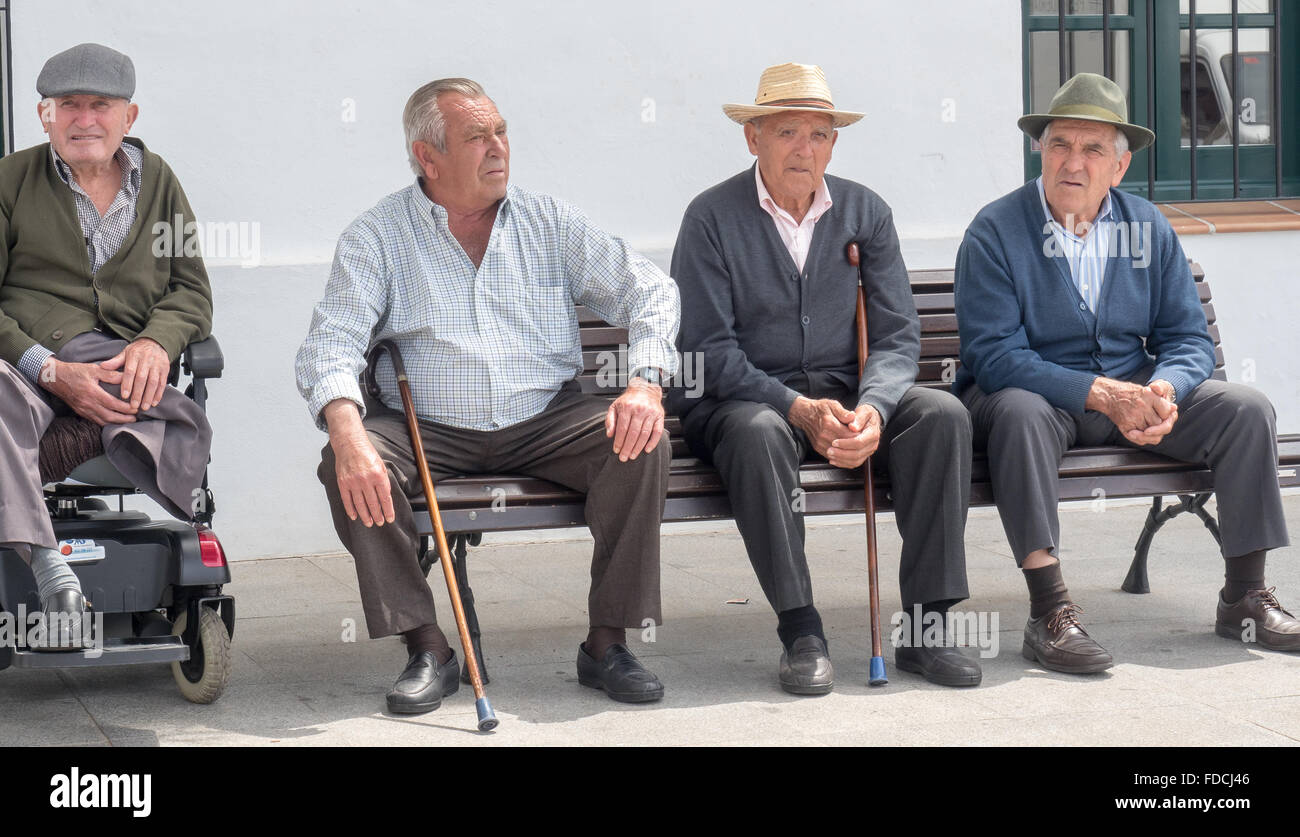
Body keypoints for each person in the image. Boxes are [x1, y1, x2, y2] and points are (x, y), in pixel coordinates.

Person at [295, 78, 680, 714]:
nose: (498, 147)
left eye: (500, 132)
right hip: (429, 429)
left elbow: (652, 292)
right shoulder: (377, 236)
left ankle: (608, 644)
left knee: (642, 444)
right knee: (348, 468)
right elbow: (330, 344)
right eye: (477, 137)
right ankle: (429, 648)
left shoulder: (549, 221)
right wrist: (346, 430)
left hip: (545, 419)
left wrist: (644, 382)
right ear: (428, 156)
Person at [954, 72, 1295, 673]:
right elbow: (993, 355)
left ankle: (1244, 595)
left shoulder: (1147, 227)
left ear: (1120, 163)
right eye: (1059, 144)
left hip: (1132, 393)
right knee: (1017, 412)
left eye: (1092, 149)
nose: (1072, 162)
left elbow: (1187, 337)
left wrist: (1163, 390)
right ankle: (1049, 611)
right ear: (1040, 149)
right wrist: (1099, 392)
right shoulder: (995, 230)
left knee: (1247, 409)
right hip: (1039, 395)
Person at [670, 63, 980, 694]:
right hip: (744, 402)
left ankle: (928, 626)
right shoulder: (710, 218)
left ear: (834, 142)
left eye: (818, 134)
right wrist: (797, 406)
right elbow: (707, 350)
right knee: (759, 431)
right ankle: (801, 630)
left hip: (847, 397)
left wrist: (875, 407)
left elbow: (896, 336)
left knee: (943, 415)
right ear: (753, 137)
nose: (803, 149)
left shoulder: (865, 211)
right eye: (787, 132)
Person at [0, 43, 213, 647]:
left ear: (130, 117)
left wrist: (155, 341)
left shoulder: (160, 182)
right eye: (69, 105)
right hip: (25, 365)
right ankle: (49, 567)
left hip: (121, 368)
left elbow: (192, 292)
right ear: (46, 115)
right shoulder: (10, 181)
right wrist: (48, 370)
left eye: (101, 106)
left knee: (140, 391)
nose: (84, 120)